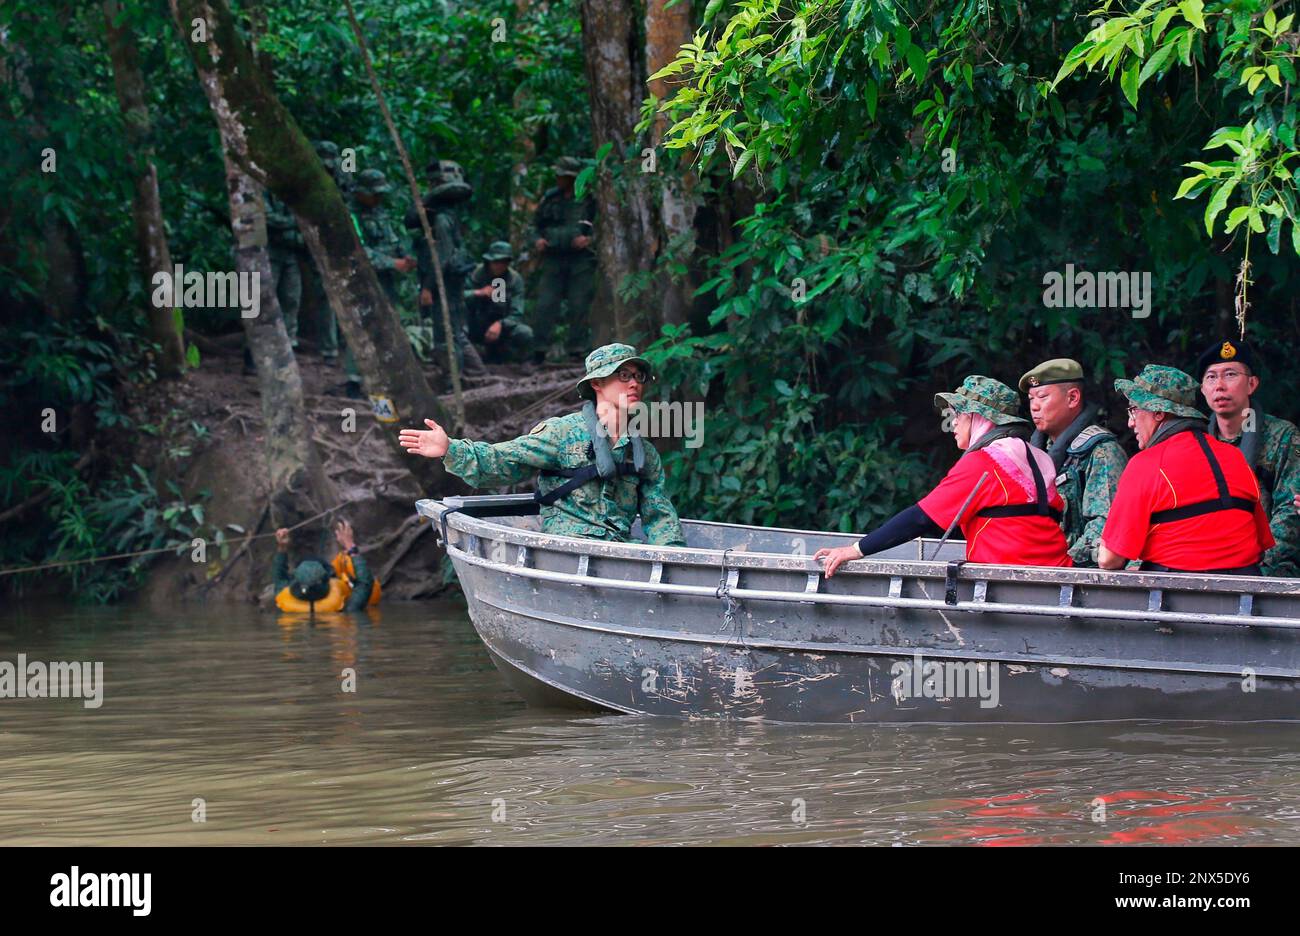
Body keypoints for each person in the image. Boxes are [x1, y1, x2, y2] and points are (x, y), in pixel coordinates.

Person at [399, 343, 685, 546]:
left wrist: (673, 558)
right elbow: (505, 462)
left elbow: (658, 513)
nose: (634, 383)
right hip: (565, 549)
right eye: (623, 375)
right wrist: (451, 448)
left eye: (639, 376)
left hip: (619, 548)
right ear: (597, 383)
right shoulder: (562, 433)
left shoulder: (643, 452)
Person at [815, 376, 1072, 576]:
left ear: (978, 418)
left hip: (1016, 582)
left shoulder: (985, 462)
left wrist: (854, 550)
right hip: (1057, 574)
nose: (953, 423)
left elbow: (920, 517)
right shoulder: (1037, 458)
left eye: (958, 414)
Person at [1098, 365, 1273, 574]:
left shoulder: (1146, 463)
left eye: (1134, 410)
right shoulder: (1235, 457)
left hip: (1179, 595)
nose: (1130, 423)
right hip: (1245, 595)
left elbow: (1109, 559)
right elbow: (1260, 546)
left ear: (1158, 413)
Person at [1196, 337, 1300, 577]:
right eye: (1211, 377)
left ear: (1252, 384)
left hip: (1267, 566)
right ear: (1202, 389)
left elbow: (1289, 513)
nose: (1219, 385)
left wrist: (1253, 570)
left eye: (1230, 375)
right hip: (1209, 562)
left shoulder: (1282, 436)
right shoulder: (1198, 440)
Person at [1019, 358, 1127, 566]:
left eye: (1042, 396)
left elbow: (1104, 527)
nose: (1034, 406)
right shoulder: (1032, 452)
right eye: (1031, 398)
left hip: (1080, 576)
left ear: (1073, 398)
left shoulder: (1101, 452)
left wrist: (1059, 562)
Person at [408, 159, 487, 376]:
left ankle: (458, 376)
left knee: (447, 331)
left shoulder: (443, 220)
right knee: (452, 329)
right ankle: (469, 373)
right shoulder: (447, 216)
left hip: (445, 282)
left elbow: (441, 258)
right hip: (448, 280)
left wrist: (427, 287)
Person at [346, 168, 417, 398]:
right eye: (374, 193)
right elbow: (359, 251)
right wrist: (392, 262)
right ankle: (354, 380)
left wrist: (404, 257)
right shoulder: (351, 215)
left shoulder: (380, 212)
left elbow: (394, 240)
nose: (378, 198)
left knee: (388, 324)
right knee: (362, 325)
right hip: (363, 280)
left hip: (386, 280)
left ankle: (388, 378)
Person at [530, 156, 596, 356]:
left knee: (579, 304)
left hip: (580, 260)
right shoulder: (550, 198)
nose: (558, 179)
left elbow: (603, 225)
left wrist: (590, 240)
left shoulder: (589, 199)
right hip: (553, 259)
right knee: (545, 304)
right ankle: (539, 349)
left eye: (563, 176)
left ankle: (577, 348)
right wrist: (537, 240)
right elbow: (534, 225)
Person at [273, 519, 380, 612]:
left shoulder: (282, 598)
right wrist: (350, 546)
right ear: (327, 580)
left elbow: (279, 577)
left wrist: (282, 547)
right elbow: (365, 583)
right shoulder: (347, 608)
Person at [463, 241, 534, 362]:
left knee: (525, 333)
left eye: (504, 262)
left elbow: (517, 313)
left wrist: (501, 324)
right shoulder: (476, 274)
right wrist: (478, 293)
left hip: (501, 328)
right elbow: (457, 296)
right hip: (474, 323)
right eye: (496, 262)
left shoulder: (514, 280)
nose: (499, 266)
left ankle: (517, 362)